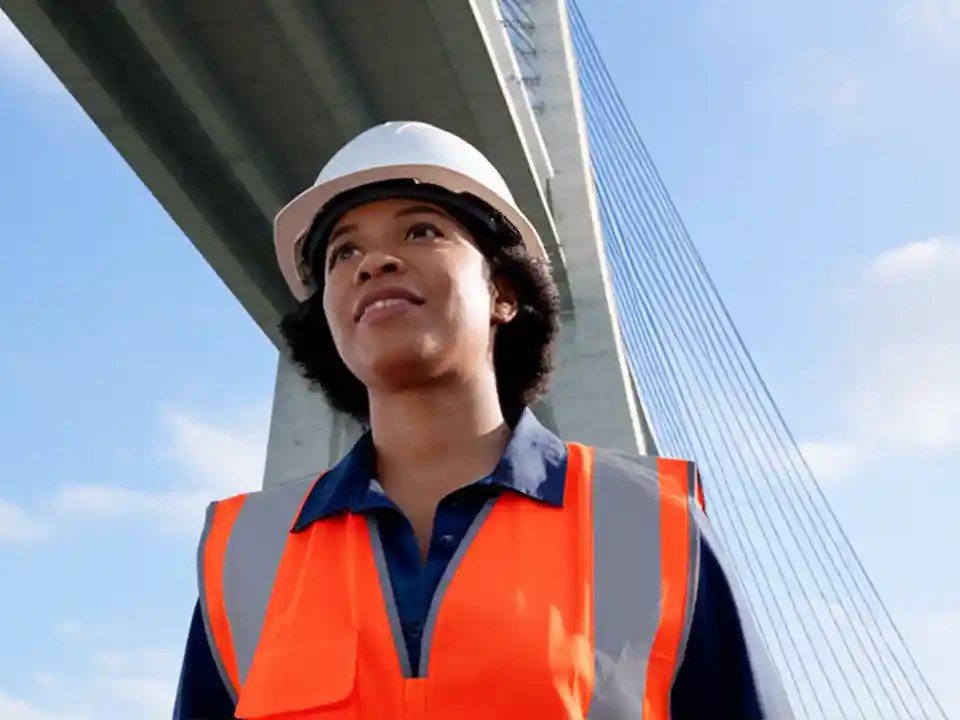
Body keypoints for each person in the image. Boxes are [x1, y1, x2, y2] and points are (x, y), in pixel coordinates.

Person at [172, 121, 793, 719]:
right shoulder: (246, 556)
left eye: (420, 232)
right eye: (344, 251)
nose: (373, 262)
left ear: (504, 293)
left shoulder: (647, 524)